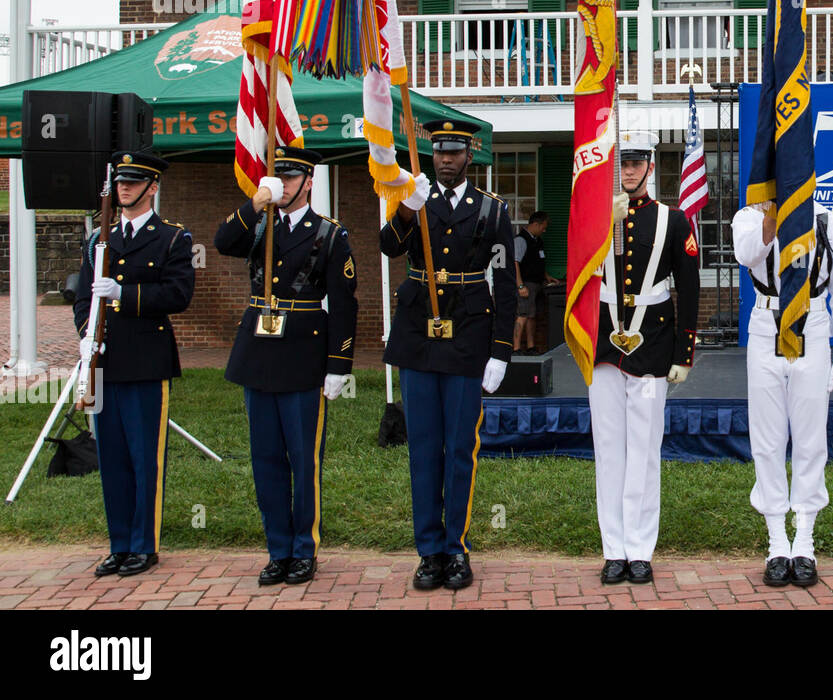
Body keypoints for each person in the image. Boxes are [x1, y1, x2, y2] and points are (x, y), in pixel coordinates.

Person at [380, 119, 516, 592]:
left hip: (468, 337)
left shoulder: (491, 210)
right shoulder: (414, 199)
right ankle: (428, 551)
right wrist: (406, 208)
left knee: (459, 448)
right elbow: (388, 247)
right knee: (423, 448)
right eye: (439, 151)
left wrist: (501, 351)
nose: (445, 159)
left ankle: (455, 547)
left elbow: (508, 285)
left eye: (454, 152)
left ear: (469, 156)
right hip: (418, 335)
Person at [214, 146, 358, 586]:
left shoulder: (329, 233)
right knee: (265, 458)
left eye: (291, 178)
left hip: (303, 355)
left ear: (309, 182)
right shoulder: (259, 223)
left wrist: (339, 364)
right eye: (278, 177)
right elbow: (223, 242)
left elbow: (345, 305)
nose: (283, 185)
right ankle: (277, 549)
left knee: (303, 459)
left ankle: (303, 549)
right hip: (258, 354)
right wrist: (257, 201)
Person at [74, 149, 195, 578]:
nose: (124, 189)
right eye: (121, 182)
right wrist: (87, 335)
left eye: (133, 182)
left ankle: (144, 545)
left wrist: (124, 295)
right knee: (112, 458)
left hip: (145, 360)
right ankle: (119, 543)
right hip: (105, 361)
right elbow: (82, 296)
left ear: (152, 187)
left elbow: (178, 294)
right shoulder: (99, 238)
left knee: (144, 458)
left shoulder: (172, 238)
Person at [732, 199, 833, 588]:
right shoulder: (749, 218)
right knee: (767, 439)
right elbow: (747, 255)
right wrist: (772, 218)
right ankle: (777, 541)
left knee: (810, 438)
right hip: (765, 324)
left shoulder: (830, 223)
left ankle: (804, 539)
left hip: (813, 322)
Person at [591, 129, 699, 586]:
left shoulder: (675, 221)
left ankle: (639, 548)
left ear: (651, 167)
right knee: (609, 450)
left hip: (653, 345)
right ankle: (613, 549)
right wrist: (601, 225)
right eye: (623, 162)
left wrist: (684, 352)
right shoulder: (595, 217)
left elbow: (689, 289)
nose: (629, 170)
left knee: (644, 450)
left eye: (636, 162)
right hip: (604, 344)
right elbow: (580, 271)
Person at [513, 211, 559, 354]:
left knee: (532, 316)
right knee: (522, 315)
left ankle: (531, 346)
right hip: (526, 284)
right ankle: (516, 348)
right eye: (543, 227)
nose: (544, 230)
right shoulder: (521, 240)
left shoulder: (538, 241)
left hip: (537, 283)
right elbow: (515, 263)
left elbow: (538, 261)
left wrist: (547, 276)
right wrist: (520, 285)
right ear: (535, 224)